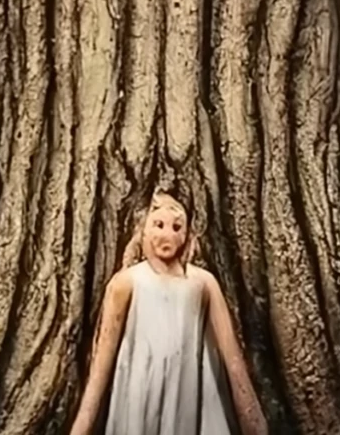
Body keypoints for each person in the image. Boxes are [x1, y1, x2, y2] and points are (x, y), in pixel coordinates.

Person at [68, 182, 268, 435]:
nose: (168, 235)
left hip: (186, 391)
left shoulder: (203, 283)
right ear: (143, 229)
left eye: (176, 227)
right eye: (159, 225)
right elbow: (101, 366)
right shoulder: (126, 282)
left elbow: (233, 359)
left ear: (187, 233)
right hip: (139, 391)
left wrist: (254, 421)